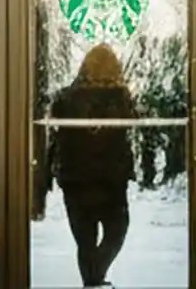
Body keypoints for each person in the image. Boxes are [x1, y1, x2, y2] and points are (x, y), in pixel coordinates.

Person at [47, 43, 137, 288]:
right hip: (110, 179)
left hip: (76, 179)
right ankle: (95, 280)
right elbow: (130, 127)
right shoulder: (121, 97)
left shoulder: (64, 97)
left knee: (85, 241)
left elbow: (57, 135)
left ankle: (93, 282)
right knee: (116, 232)